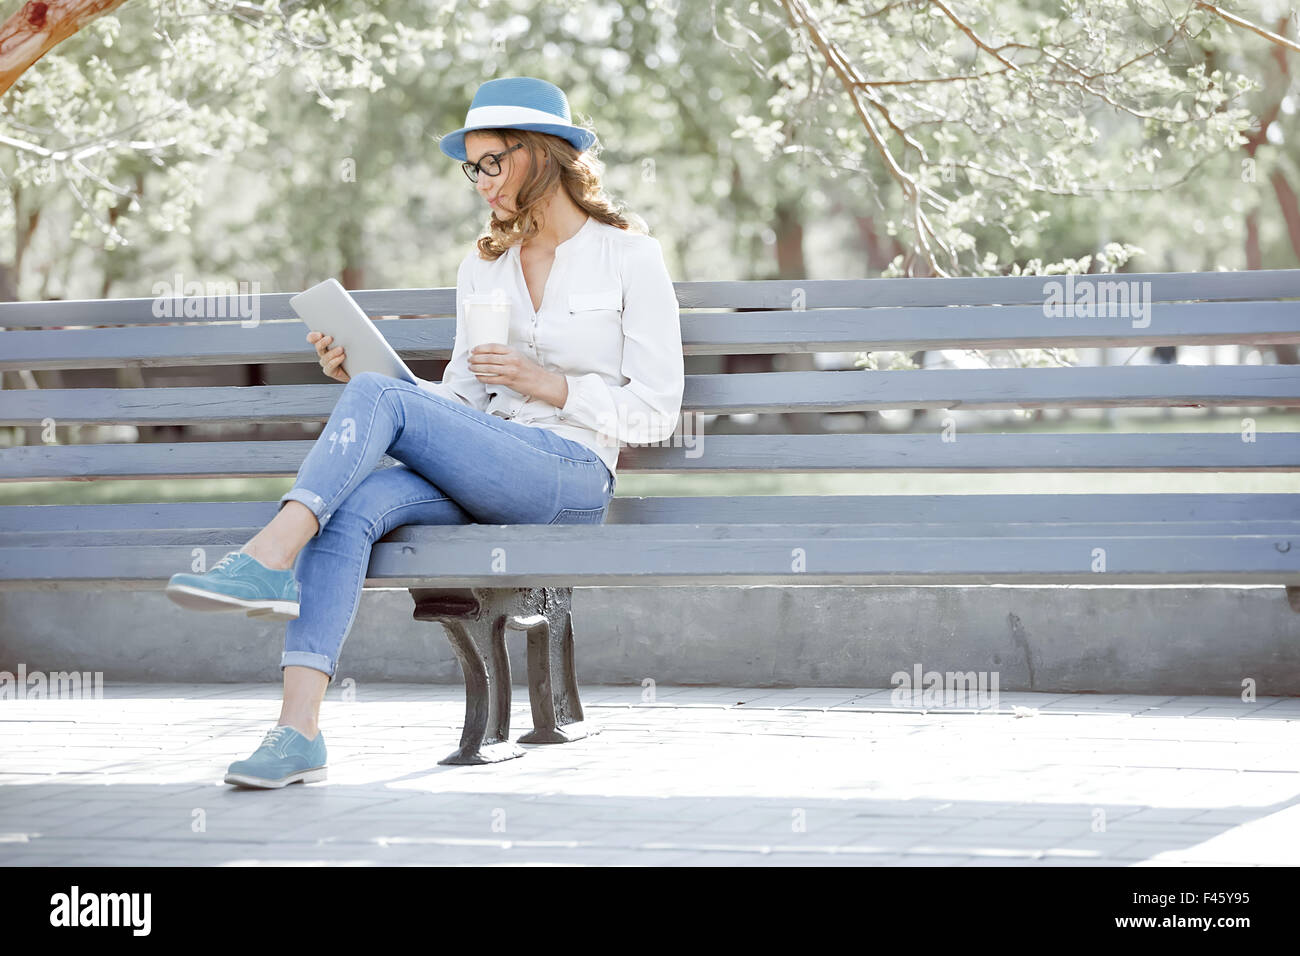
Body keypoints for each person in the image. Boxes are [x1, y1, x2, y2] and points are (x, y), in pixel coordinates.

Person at [163, 76, 685, 789]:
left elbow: (658, 411)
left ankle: (267, 554)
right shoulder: (484, 265)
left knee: (383, 407)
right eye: (471, 167)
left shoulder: (630, 256)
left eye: (491, 162)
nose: (479, 183)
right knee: (350, 510)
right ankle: (298, 733)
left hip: (568, 478)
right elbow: (461, 402)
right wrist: (360, 377)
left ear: (541, 153)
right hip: (487, 464)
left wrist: (548, 384)